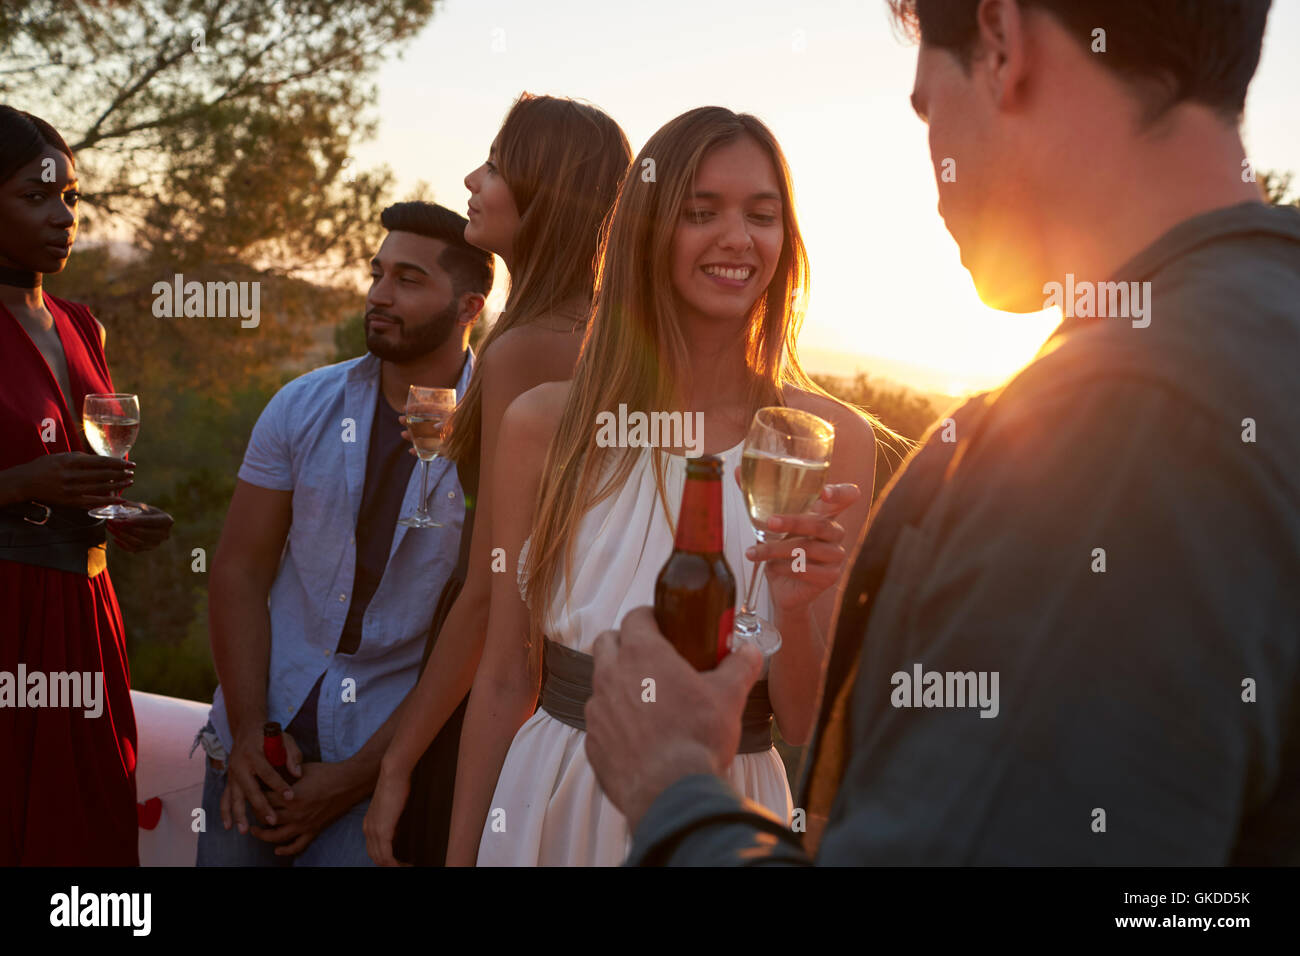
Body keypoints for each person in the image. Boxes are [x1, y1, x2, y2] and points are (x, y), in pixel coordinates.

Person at [585, 0, 1300, 865]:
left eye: (928, 107)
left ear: (1001, 41)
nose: (936, 180)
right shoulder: (1257, 325)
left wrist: (671, 787)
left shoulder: (1123, 428)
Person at [447, 106, 879, 867]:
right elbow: (506, 674)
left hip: (727, 811)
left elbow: (808, 719)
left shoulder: (826, 441)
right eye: (700, 212)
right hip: (554, 798)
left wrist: (800, 606)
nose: (738, 238)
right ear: (648, 228)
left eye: (762, 215)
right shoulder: (547, 425)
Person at [364, 93, 631, 866]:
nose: (473, 179)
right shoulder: (600, 330)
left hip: (494, 689)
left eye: (497, 165)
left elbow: (489, 594)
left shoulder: (526, 348)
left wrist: (397, 761)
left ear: (547, 190)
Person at [193, 201, 492, 865]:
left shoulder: (497, 441)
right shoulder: (301, 406)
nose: (380, 295)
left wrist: (357, 778)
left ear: (468, 308)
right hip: (251, 760)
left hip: (384, 778)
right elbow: (240, 569)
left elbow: (480, 633)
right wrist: (247, 735)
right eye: (378, 272)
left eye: (409, 280)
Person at [0, 105, 174, 865]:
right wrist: (21, 482)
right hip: (8, 614)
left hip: (87, 613)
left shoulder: (81, 323)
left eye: (70, 196)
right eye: (35, 196)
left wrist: (114, 515)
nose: (61, 216)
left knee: (91, 818)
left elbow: (79, 481)